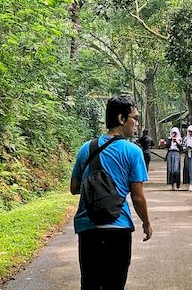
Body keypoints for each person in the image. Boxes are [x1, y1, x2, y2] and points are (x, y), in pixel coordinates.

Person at [70, 96, 152, 290]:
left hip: (88, 228)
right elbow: (137, 197)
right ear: (122, 118)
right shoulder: (133, 151)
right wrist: (147, 223)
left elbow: (74, 188)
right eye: (134, 118)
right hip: (118, 228)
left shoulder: (86, 148)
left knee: (90, 284)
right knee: (114, 285)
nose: (137, 123)